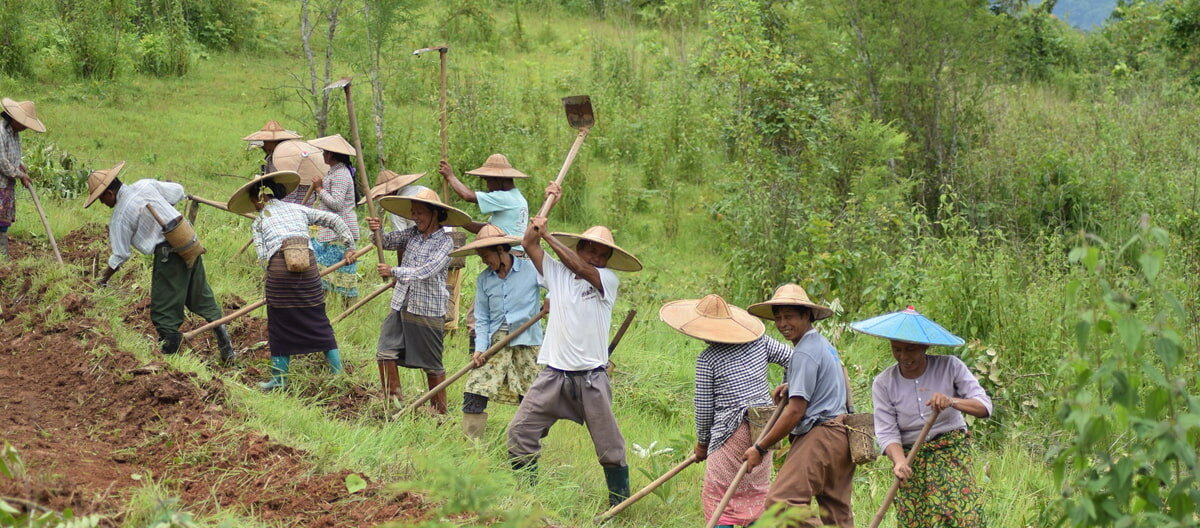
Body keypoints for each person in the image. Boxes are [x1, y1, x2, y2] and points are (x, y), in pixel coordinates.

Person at [506, 188, 643, 507]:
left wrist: (550, 236)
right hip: (553, 374)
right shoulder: (556, 274)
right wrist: (550, 200)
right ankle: (527, 496)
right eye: (590, 249)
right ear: (579, 247)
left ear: (607, 260)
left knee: (610, 448)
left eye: (602, 253)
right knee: (520, 433)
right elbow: (528, 243)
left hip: (591, 379)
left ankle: (618, 505)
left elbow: (582, 269)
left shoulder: (605, 280)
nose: (595, 256)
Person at [852, 306, 992, 528]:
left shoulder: (950, 366)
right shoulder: (883, 382)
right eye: (897, 349)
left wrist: (952, 401)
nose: (904, 357)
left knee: (959, 515)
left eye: (911, 349)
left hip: (949, 450)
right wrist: (899, 463)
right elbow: (887, 431)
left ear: (925, 346)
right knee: (916, 519)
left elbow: (984, 407)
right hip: (910, 458)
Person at [659, 294, 792, 527]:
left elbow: (704, 409)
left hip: (732, 434)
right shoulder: (760, 342)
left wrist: (702, 443)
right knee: (756, 492)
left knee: (719, 494)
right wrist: (787, 390)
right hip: (764, 429)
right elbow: (793, 359)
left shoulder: (708, 359)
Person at [85, 162, 235, 363]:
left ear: (110, 194)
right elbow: (178, 192)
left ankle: (169, 360)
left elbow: (120, 255)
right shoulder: (145, 185)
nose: (103, 204)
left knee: (164, 312)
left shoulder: (120, 215)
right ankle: (227, 348)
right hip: (189, 241)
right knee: (201, 295)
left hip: (168, 254)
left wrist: (102, 279)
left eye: (101, 199)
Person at [226, 170, 356, 390]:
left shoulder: (259, 223)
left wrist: (271, 278)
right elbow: (334, 219)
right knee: (318, 319)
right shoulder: (298, 209)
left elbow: (263, 257)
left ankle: (279, 379)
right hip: (309, 269)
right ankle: (337, 374)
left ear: (260, 198)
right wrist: (349, 246)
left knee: (279, 323)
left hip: (279, 272)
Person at [743, 284, 852, 527]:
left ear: (806, 315)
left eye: (789, 316)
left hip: (821, 435)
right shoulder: (824, 346)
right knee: (836, 514)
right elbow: (826, 385)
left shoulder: (804, 352)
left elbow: (795, 411)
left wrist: (760, 447)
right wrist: (793, 385)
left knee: (783, 503)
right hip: (841, 435)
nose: (782, 323)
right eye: (778, 317)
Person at [365, 188, 472, 413]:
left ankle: (439, 413)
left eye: (420, 213)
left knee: (432, 364)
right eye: (413, 213)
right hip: (401, 302)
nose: (415, 217)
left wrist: (394, 271)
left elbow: (427, 270)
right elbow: (384, 242)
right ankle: (393, 405)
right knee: (385, 352)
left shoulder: (445, 242)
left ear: (435, 214)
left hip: (427, 308)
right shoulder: (411, 234)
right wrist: (375, 229)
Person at [450, 224, 545, 440]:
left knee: (531, 396)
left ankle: (529, 443)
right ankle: (471, 445)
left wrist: (551, 303)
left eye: (486, 256)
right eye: (481, 256)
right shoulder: (484, 279)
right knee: (475, 388)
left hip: (527, 340)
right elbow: (482, 318)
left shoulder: (531, 270)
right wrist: (480, 348)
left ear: (501, 250)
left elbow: (558, 287)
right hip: (496, 342)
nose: (484, 261)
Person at [307, 134, 360, 299]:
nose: (323, 155)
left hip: (341, 231)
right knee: (327, 270)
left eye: (325, 152)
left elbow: (337, 204)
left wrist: (319, 189)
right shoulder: (334, 172)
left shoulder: (341, 174)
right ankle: (331, 302)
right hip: (332, 229)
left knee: (339, 272)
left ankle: (342, 305)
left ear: (330, 154)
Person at [439, 154, 530, 246]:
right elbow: (486, 229)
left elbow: (467, 196)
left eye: (489, 181)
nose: (488, 186)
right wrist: (460, 221)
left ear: (499, 180)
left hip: (511, 254)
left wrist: (450, 176)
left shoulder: (504, 198)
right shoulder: (518, 197)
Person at [0, 98, 46, 258]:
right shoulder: (0, 132)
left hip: (6, 185)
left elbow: (12, 154)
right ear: (14, 118)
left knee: (3, 223)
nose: (26, 127)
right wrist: (20, 175)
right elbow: (2, 161)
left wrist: (20, 164)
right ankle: (2, 257)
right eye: (24, 123)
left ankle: (3, 256)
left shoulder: (14, 134)